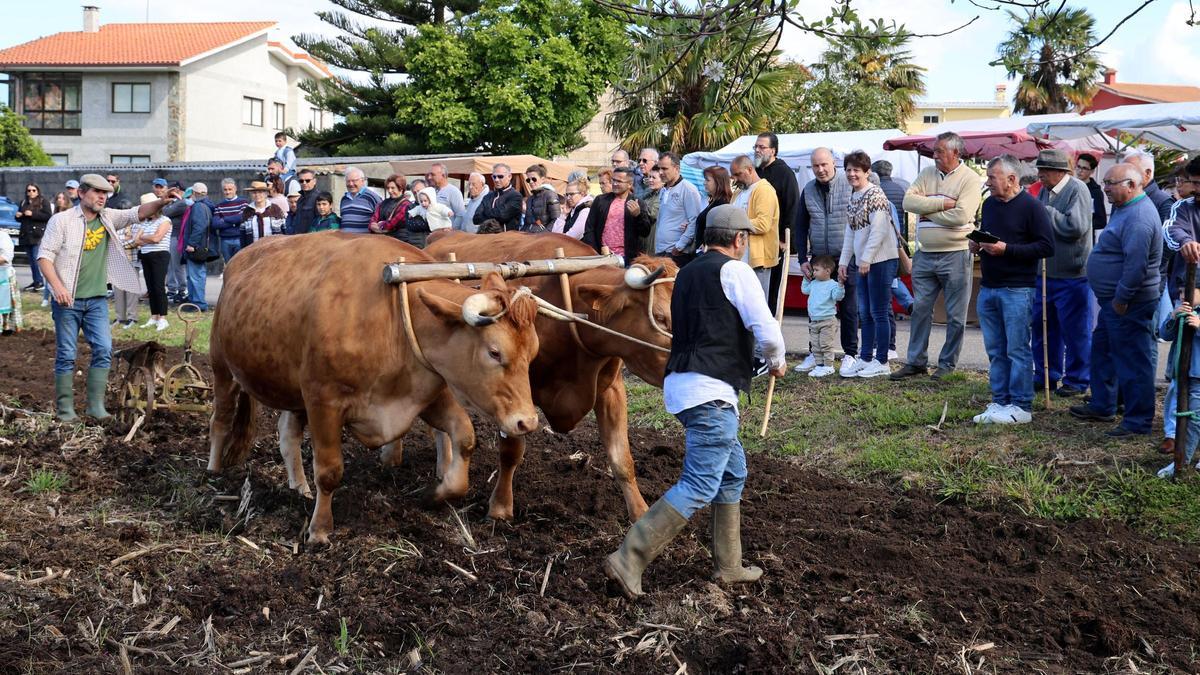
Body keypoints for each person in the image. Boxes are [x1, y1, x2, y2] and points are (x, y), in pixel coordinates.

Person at [602, 204, 784, 600]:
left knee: (732, 472)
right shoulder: (735, 270)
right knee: (700, 483)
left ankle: (730, 565)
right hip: (711, 392)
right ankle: (629, 558)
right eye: (746, 239)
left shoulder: (684, 275)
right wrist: (777, 360)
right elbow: (765, 326)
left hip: (683, 386)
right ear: (739, 240)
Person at [38, 174, 179, 421]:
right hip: (67, 300)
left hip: (96, 300)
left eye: (105, 193)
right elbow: (44, 257)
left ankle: (95, 407)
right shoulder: (61, 221)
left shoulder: (108, 217)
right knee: (67, 354)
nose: (102, 197)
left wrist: (161, 202)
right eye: (96, 192)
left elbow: (137, 213)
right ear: (81, 193)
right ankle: (65, 410)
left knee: (104, 349)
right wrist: (58, 287)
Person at [1068, 163, 1162, 438]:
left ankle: (1138, 422)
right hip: (1114, 302)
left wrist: (1121, 299)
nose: (1105, 188)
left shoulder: (1140, 217)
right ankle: (1103, 405)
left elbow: (1136, 267)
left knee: (1133, 362)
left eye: (1111, 183)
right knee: (1103, 353)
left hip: (1129, 302)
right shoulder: (1124, 209)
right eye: (1105, 182)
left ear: (1132, 185)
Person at [892, 132, 983, 381]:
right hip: (926, 254)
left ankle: (947, 365)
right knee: (920, 309)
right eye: (935, 150)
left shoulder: (970, 179)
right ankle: (916, 362)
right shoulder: (927, 174)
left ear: (956, 153)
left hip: (956, 253)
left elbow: (962, 216)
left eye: (940, 151)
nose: (935, 155)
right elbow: (909, 202)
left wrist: (927, 209)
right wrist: (943, 204)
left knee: (955, 315)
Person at [971, 155, 1054, 424]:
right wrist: (978, 244)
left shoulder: (1032, 207)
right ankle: (1000, 400)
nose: (988, 182)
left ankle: (1021, 405)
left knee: (1016, 349)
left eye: (992, 177)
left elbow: (1046, 247)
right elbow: (989, 234)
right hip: (989, 286)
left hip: (1017, 288)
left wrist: (1007, 249)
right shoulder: (990, 204)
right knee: (995, 349)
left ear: (1011, 179)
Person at [1032, 149, 1094, 399]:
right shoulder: (1045, 191)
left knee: (1076, 331)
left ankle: (1078, 380)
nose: (1040, 175)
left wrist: (1047, 213)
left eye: (1044, 171)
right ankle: (1046, 374)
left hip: (1073, 275)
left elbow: (1076, 226)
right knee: (1043, 328)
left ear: (1059, 172)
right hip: (1045, 274)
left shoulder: (1077, 189)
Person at [794, 148, 857, 374]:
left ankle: (850, 353)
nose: (820, 170)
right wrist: (803, 258)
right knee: (816, 306)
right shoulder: (808, 190)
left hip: (846, 255)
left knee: (848, 306)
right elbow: (800, 226)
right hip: (820, 257)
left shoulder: (849, 184)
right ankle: (816, 353)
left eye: (824, 164)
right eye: (815, 166)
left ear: (834, 163)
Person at [838, 150, 899, 379]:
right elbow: (850, 233)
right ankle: (865, 358)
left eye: (856, 170)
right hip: (863, 262)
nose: (852, 174)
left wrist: (866, 258)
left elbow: (880, 229)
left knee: (879, 311)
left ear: (867, 172)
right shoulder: (854, 197)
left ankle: (882, 360)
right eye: (849, 170)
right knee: (865, 312)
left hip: (881, 260)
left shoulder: (876, 195)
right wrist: (845, 262)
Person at [1159, 156, 1200, 455]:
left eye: (1199, 184)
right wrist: (1185, 240)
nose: (1194, 189)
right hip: (1187, 298)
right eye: (1194, 183)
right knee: (1183, 374)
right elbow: (1171, 230)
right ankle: (1176, 436)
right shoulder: (1183, 208)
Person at [755, 133, 800, 313]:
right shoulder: (756, 171)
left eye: (762, 147)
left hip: (776, 244)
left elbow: (792, 207)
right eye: (756, 147)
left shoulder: (785, 173)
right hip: (756, 242)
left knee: (771, 291)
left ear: (773, 150)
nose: (757, 150)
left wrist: (784, 240)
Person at [729, 155, 780, 298]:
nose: (735, 179)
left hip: (757, 260)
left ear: (750, 169)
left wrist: (733, 223)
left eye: (738, 174)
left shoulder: (764, 190)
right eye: (733, 175)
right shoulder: (738, 192)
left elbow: (763, 224)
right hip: (738, 258)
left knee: (757, 304)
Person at [582, 167, 650, 264]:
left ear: (629, 184)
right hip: (602, 257)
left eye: (619, 181)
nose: (614, 184)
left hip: (628, 259)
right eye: (613, 180)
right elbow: (589, 228)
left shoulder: (638, 203)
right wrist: (594, 252)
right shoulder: (600, 200)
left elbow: (645, 232)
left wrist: (638, 216)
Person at [131, 192, 172, 331]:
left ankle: (163, 318)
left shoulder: (165, 220)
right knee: (151, 288)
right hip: (146, 255)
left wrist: (143, 238)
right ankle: (154, 316)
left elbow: (157, 238)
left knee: (159, 287)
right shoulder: (145, 222)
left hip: (160, 255)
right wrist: (146, 238)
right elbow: (136, 240)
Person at [654, 151, 703, 266]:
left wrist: (679, 246)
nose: (660, 172)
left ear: (676, 168)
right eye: (659, 168)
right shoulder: (663, 189)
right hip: (661, 251)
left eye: (665, 169)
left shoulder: (688, 189)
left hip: (677, 254)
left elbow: (694, 220)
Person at [802, 255, 844, 377]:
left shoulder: (833, 284)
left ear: (827, 271)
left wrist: (841, 285)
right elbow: (805, 290)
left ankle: (828, 366)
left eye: (816, 270)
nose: (813, 272)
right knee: (815, 345)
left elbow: (838, 297)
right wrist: (806, 278)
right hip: (814, 321)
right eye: (813, 270)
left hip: (827, 321)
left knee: (825, 344)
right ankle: (819, 365)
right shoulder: (814, 283)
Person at [180, 183, 216, 311]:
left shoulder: (199, 207)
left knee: (196, 276)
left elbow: (199, 226)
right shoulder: (206, 205)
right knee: (194, 275)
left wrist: (191, 244)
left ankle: (199, 304)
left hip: (196, 247)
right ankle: (194, 302)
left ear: (194, 193)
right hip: (200, 246)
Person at [16, 183, 51, 292]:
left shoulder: (43, 201)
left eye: (33, 190)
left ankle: (40, 282)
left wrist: (33, 214)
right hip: (26, 235)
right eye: (29, 190)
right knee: (31, 260)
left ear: (38, 191)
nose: (31, 192)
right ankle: (36, 281)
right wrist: (18, 216)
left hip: (37, 235)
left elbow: (48, 216)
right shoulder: (23, 202)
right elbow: (21, 218)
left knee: (37, 260)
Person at [111, 208, 141, 329]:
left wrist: (119, 243)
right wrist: (124, 242)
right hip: (118, 262)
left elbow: (135, 241)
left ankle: (132, 317)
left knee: (131, 291)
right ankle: (120, 317)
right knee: (118, 291)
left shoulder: (135, 225)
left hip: (132, 262)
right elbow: (111, 241)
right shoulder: (114, 225)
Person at [473, 163, 523, 232]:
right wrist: (496, 213)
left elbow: (503, 216)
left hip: (506, 239)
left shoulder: (515, 196)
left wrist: (485, 212)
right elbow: (476, 218)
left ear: (509, 176)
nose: (496, 180)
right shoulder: (488, 196)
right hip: (486, 238)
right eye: (494, 177)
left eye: (500, 176)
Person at [161, 181, 189, 303]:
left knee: (177, 266)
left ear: (178, 189)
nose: (170, 192)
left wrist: (170, 202)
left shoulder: (182, 203)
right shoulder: (175, 202)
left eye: (172, 190)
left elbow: (165, 212)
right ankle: (172, 289)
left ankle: (182, 289)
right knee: (170, 266)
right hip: (170, 236)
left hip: (177, 237)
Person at [694, 166, 732, 248]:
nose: (704, 183)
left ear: (718, 182)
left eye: (707, 180)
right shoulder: (713, 201)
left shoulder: (722, 204)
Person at [212, 178, 249, 262]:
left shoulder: (243, 202)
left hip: (240, 238)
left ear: (235, 189)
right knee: (228, 265)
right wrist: (234, 222)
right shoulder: (219, 205)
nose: (227, 192)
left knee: (240, 264)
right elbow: (215, 224)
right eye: (225, 190)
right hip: (225, 240)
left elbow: (242, 217)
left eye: (230, 189)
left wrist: (224, 219)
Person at [339, 167, 382, 234]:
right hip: (347, 242)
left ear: (362, 181)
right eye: (348, 181)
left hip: (364, 242)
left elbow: (380, 219)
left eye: (354, 181)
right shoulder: (344, 199)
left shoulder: (372, 197)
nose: (351, 184)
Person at [1075, 152, 1108, 233]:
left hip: (1085, 239)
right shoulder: (1070, 186)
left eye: (1084, 168)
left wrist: (1081, 226)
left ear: (1092, 171)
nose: (1080, 170)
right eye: (1078, 166)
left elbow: (1101, 221)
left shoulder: (1095, 192)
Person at [429, 162, 466, 230]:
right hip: (434, 235)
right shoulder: (432, 191)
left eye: (432, 175)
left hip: (447, 237)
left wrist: (452, 230)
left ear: (443, 175)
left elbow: (460, 215)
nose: (429, 177)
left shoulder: (453, 191)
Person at [523, 164, 560, 232]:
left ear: (542, 179)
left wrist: (544, 234)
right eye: (528, 180)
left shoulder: (550, 195)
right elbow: (527, 222)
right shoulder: (530, 199)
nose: (531, 182)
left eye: (534, 179)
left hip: (543, 239)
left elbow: (556, 220)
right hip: (528, 237)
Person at [0, 228, 19, 334]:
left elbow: (6, 257)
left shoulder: (3, 237)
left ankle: (6, 327)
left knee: (4, 304)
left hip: (3, 274)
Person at [639, 167, 663, 254]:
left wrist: (638, 209)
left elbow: (652, 214)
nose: (650, 180)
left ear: (663, 180)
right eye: (649, 177)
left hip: (653, 237)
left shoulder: (662, 195)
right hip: (645, 236)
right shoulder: (649, 194)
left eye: (654, 178)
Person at [290, 169, 320, 235]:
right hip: (299, 238)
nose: (304, 183)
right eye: (301, 181)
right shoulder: (300, 199)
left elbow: (321, 222)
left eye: (307, 180)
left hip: (312, 239)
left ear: (314, 181)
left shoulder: (319, 198)